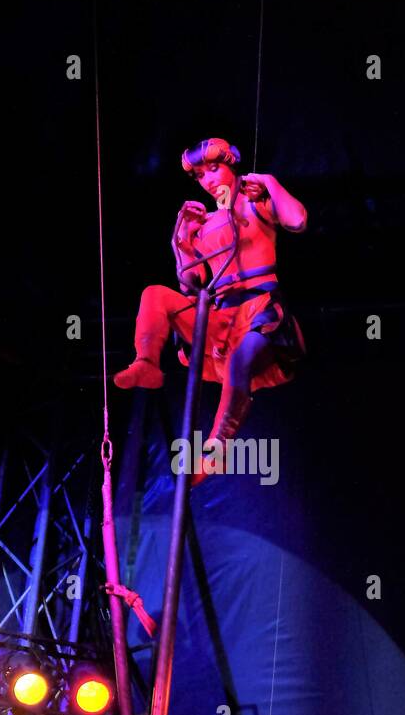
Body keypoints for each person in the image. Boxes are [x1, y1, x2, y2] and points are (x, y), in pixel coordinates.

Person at [113, 137, 307, 484]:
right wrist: (181, 240)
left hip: (258, 308)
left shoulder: (255, 201)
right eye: (201, 175)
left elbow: (297, 220)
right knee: (155, 294)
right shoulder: (204, 224)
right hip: (221, 317)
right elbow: (191, 283)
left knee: (240, 361)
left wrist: (269, 182)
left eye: (214, 169)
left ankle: (216, 453)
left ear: (232, 165)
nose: (208, 180)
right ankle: (146, 362)